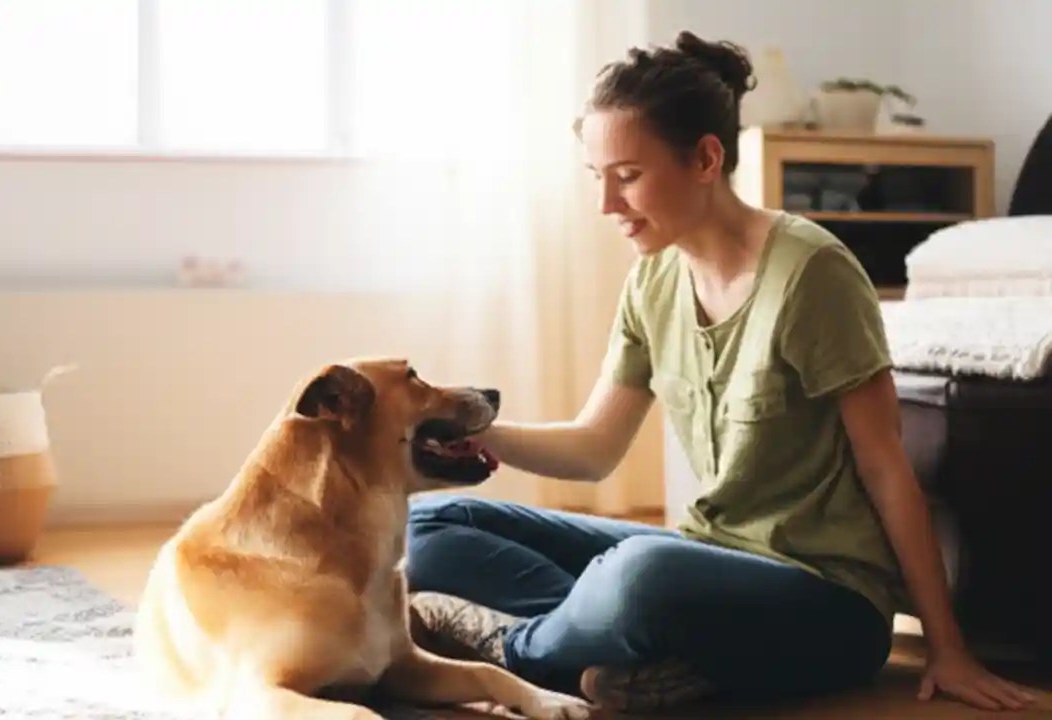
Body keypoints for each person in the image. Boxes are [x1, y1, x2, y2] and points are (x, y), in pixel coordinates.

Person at [404, 31, 1038, 715]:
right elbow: (595, 448)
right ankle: (612, 658)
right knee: (434, 523)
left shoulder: (812, 273)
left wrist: (947, 648)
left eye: (628, 176)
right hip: (707, 557)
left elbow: (887, 467)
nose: (606, 205)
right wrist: (478, 438)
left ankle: (513, 652)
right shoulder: (652, 280)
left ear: (706, 158)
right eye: (598, 179)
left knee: (641, 577)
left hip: (830, 601)